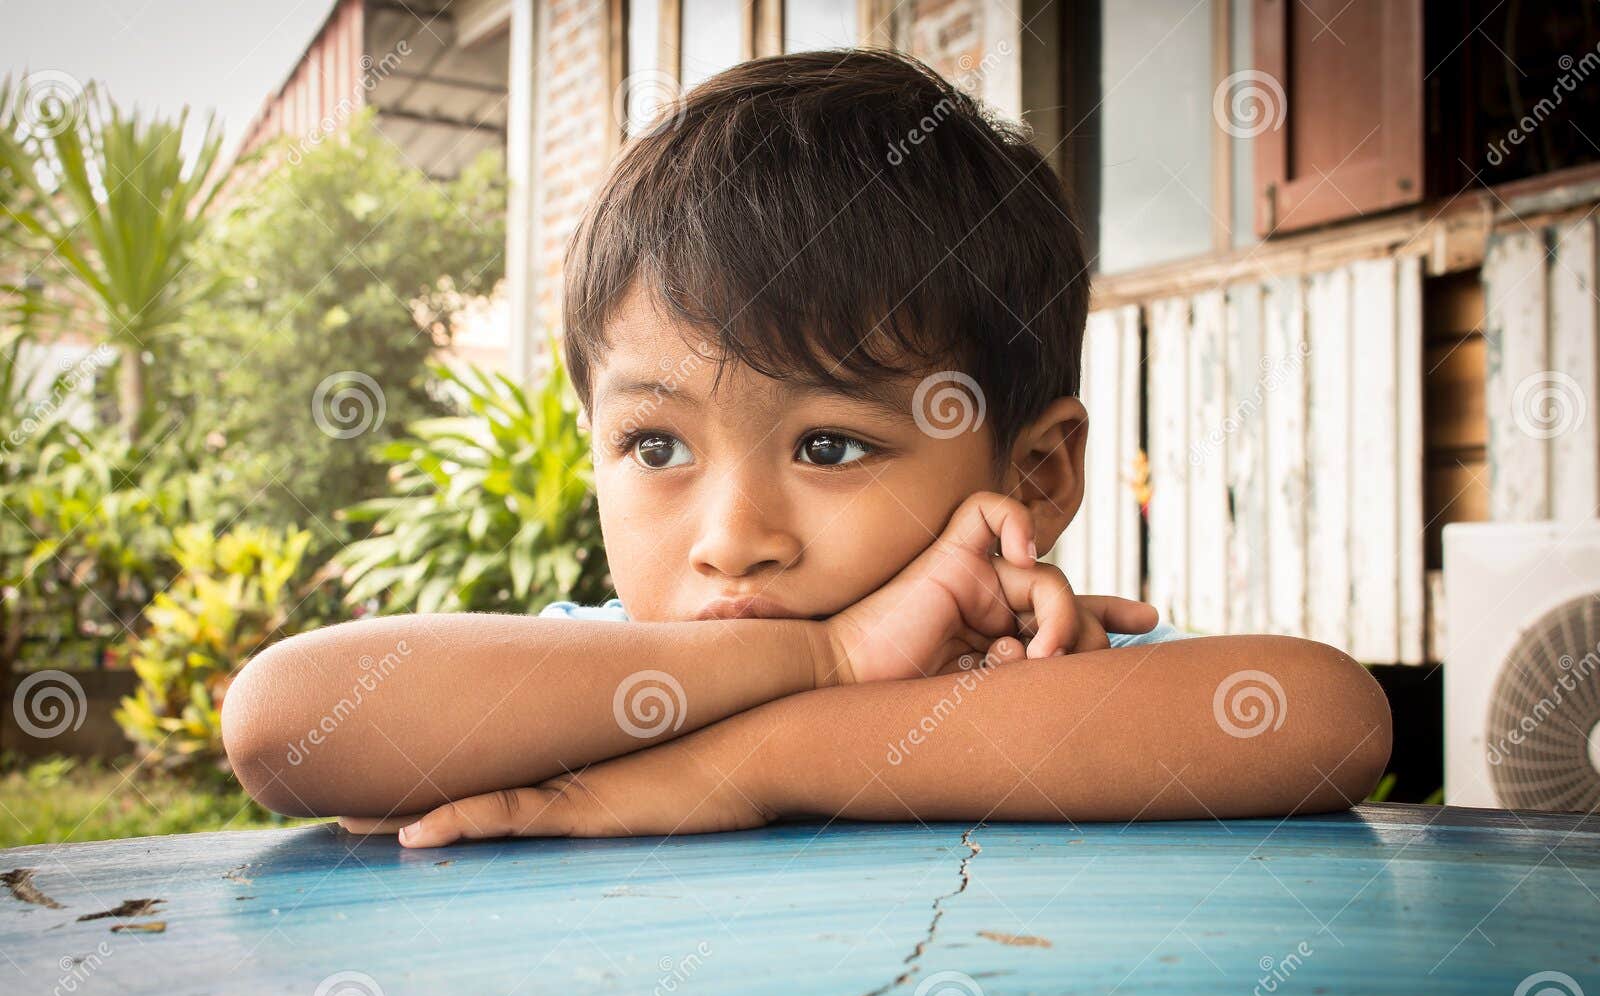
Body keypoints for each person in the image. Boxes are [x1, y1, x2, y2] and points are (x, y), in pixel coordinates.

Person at [220, 50, 1391, 848]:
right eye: (654, 443)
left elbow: (1326, 716)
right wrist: (818, 656)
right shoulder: (595, 680)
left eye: (830, 443)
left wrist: (746, 764)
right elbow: (285, 722)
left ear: (1033, 474)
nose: (732, 539)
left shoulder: (1032, 667)